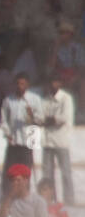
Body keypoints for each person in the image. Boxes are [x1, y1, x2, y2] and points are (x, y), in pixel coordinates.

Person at [0, 73, 43, 196]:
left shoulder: (34, 99)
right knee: (10, 171)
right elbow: (4, 120)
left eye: (22, 84)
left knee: (26, 171)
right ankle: (8, 196)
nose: (20, 86)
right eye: (18, 83)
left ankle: (25, 196)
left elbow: (40, 120)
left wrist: (32, 115)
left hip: (28, 140)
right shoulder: (8, 100)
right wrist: (7, 133)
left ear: (27, 85)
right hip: (13, 141)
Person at [42, 70, 75, 206]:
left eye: (56, 81)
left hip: (61, 141)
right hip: (48, 141)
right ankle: (50, 200)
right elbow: (41, 117)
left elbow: (63, 118)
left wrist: (50, 120)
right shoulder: (46, 99)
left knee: (65, 172)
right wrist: (50, 120)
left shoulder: (66, 98)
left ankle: (69, 200)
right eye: (51, 82)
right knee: (48, 175)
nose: (53, 84)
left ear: (60, 83)